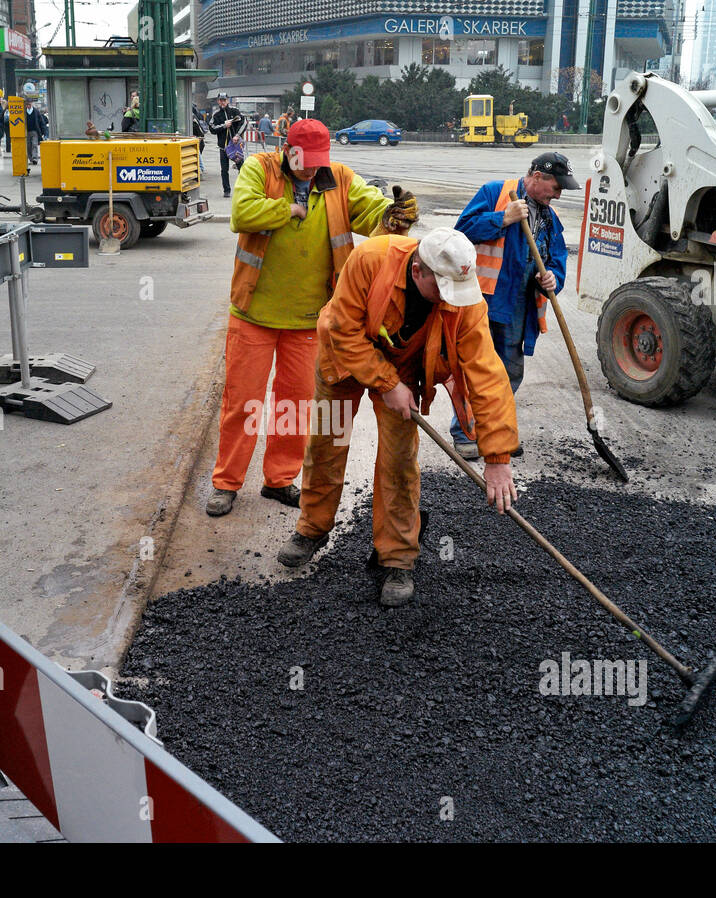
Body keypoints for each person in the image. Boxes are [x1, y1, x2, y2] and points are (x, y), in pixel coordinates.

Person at [275, 229, 520, 607]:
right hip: (343, 359)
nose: (449, 300)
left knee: (399, 462)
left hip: (404, 365)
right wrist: (386, 384)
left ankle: (398, 558)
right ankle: (312, 529)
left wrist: (498, 458)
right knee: (326, 445)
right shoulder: (371, 259)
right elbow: (342, 328)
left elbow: (487, 376)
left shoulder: (463, 297)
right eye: (440, 289)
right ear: (418, 269)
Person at [206, 119, 419, 518]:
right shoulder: (260, 169)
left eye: (317, 162)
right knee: (242, 402)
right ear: (288, 150)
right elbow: (242, 212)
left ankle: (279, 479)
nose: (310, 170)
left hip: (309, 318)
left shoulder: (337, 178)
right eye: (304, 162)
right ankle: (226, 482)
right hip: (254, 312)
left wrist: (392, 215)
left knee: (296, 404)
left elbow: (370, 212)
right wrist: (287, 209)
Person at [447, 152, 573, 459]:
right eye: (555, 187)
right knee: (476, 370)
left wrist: (553, 278)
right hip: (484, 301)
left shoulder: (549, 217)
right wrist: (502, 218)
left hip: (520, 304)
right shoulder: (495, 193)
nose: (557, 195)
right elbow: (460, 232)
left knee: (509, 372)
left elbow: (558, 257)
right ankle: (465, 433)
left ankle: (497, 433)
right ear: (537, 177)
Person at [209, 92, 244, 196]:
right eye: (221, 100)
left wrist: (237, 135)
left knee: (242, 168)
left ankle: (243, 189)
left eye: (224, 100)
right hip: (223, 148)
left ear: (228, 100)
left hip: (236, 147)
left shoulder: (235, 111)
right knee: (224, 170)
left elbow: (243, 122)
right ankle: (227, 191)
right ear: (218, 101)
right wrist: (224, 125)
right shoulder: (216, 115)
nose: (223, 102)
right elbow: (211, 128)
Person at [25, 99, 45, 164]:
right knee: (28, 146)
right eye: (27, 105)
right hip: (27, 131)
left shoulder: (36, 111)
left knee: (34, 144)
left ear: (31, 104)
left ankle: (35, 159)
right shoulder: (24, 112)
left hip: (35, 131)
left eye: (29, 104)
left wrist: (43, 131)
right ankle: (30, 159)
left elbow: (41, 121)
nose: (28, 106)